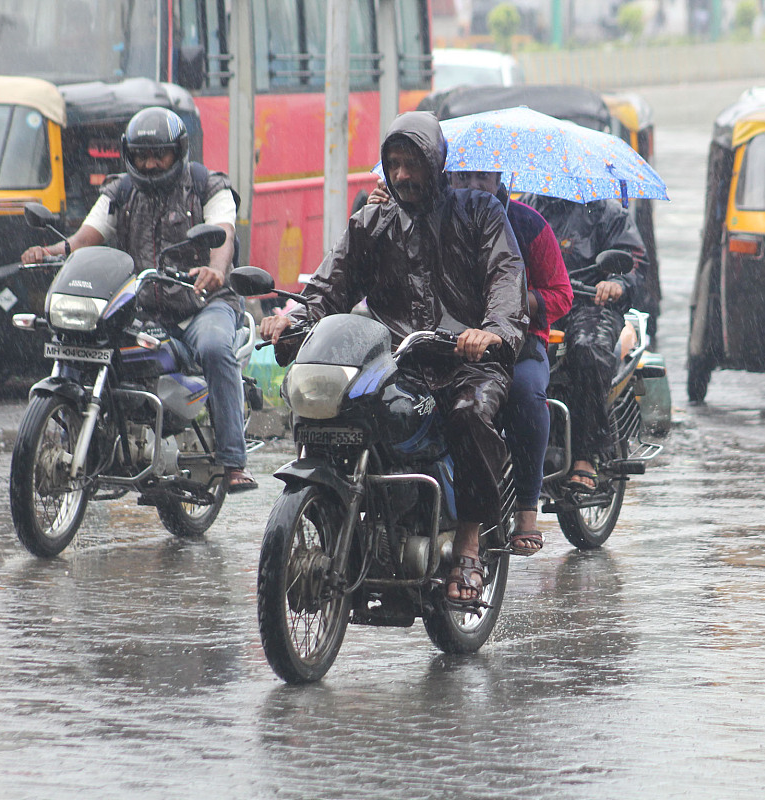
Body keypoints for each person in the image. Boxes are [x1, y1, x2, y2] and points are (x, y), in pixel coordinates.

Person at [259, 112, 528, 605]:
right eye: (394, 164)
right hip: (396, 361)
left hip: (464, 361)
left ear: (436, 164)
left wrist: (489, 332)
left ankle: (469, 540)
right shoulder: (372, 222)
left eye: (413, 164)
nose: (402, 175)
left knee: (469, 414)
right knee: (345, 410)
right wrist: (292, 320)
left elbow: (505, 281)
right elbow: (328, 286)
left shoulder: (481, 213)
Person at [21, 106, 257, 493]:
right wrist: (51, 251)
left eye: (158, 154)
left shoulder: (207, 185)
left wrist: (215, 269)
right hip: (144, 306)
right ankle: (87, 442)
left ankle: (233, 461)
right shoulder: (121, 191)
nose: (149, 163)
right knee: (83, 342)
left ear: (177, 151)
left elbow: (223, 233)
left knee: (215, 348)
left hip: (204, 304)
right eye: (141, 155)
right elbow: (85, 238)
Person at [370, 170, 573, 556]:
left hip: (518, 344)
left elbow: (561, 295)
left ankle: (527, 507)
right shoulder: (424, 218)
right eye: (465, 177)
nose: (475, 186)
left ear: (500, 179)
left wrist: (509, 305)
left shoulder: (529, 224)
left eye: (484, 178)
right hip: (439, 341)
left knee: (527, 396)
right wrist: (382, 214)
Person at [516, 193, 649, 494]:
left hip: (589, 305)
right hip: (538, 302)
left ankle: (585, 456)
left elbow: (634, 263)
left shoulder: (609, 213)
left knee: (587, 350)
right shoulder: (526, 206)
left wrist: (617, 283)